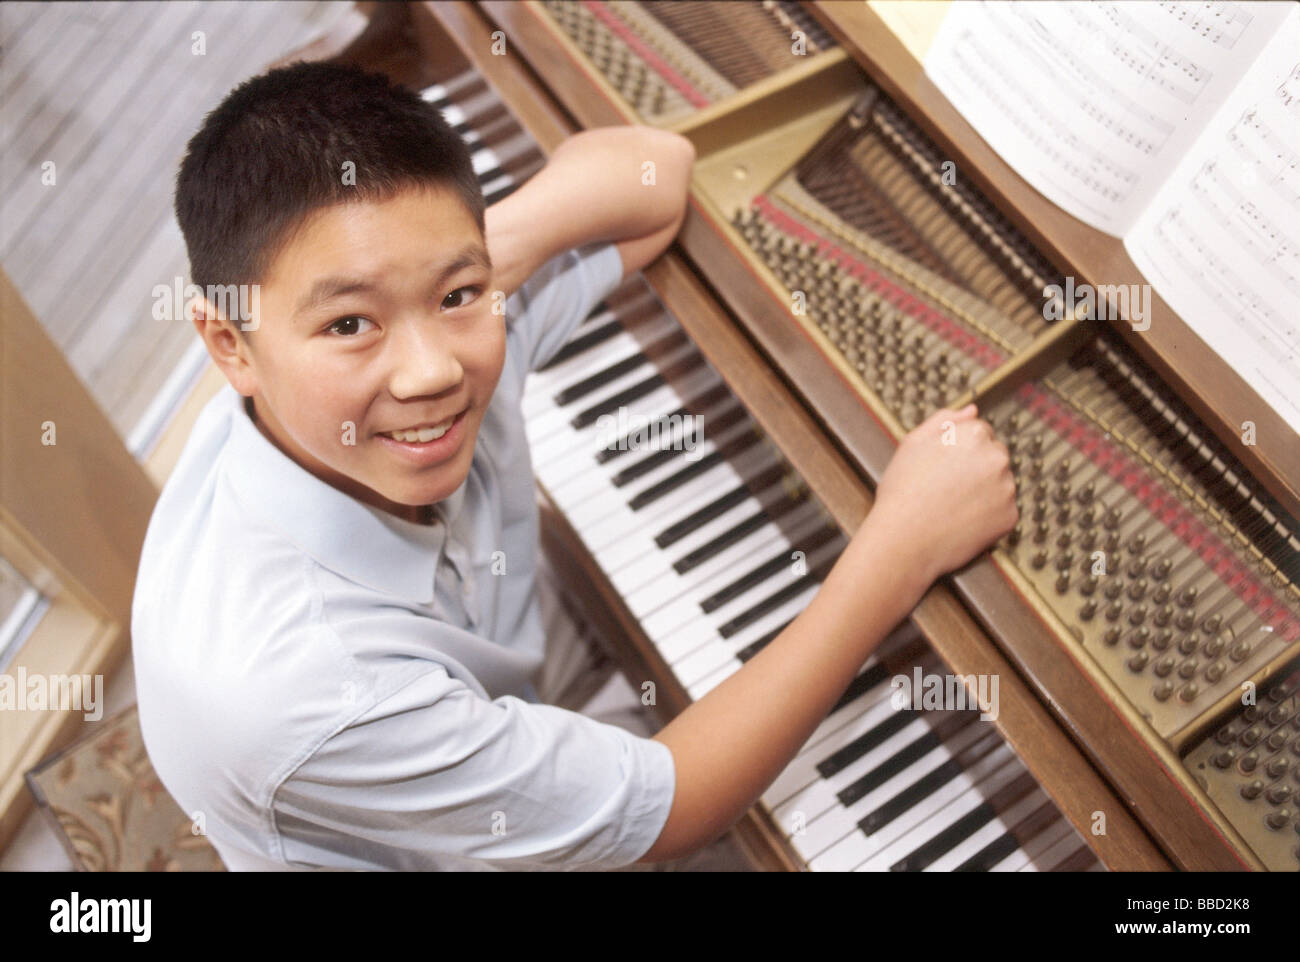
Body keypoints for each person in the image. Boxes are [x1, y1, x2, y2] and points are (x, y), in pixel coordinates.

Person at [131, 61, 1017, 871]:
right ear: (229, 346)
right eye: (348, 323)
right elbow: (676, 807)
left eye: (459, 294)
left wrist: (451, 269)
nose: (433, 373)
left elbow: (655, 172)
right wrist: (899, 548)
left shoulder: (380, 376)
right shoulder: (311, 694)